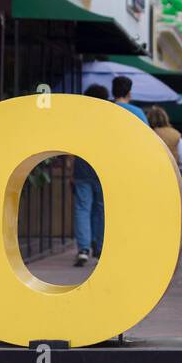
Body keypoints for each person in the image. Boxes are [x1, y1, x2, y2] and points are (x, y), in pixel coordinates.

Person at [72, 84, 110, 267]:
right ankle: (99, 245)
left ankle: (83, 249)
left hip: (82, 167)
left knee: (82, 208)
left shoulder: (80, 117)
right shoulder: (108, 117)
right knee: (101, 209)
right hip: (102, 169)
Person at [147, 105, 182, 217]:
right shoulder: (175, 135)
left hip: (153, 179)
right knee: (180, 213)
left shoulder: (148, 134)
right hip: (174, 178)